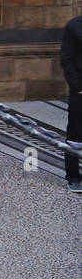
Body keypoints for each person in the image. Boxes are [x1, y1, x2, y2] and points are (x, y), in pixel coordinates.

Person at [61, 13, 82, 193]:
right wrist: (77, 87)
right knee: (75, 133)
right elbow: (66, 59)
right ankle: (73, 176)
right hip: (80, 90)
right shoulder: (74, 27)